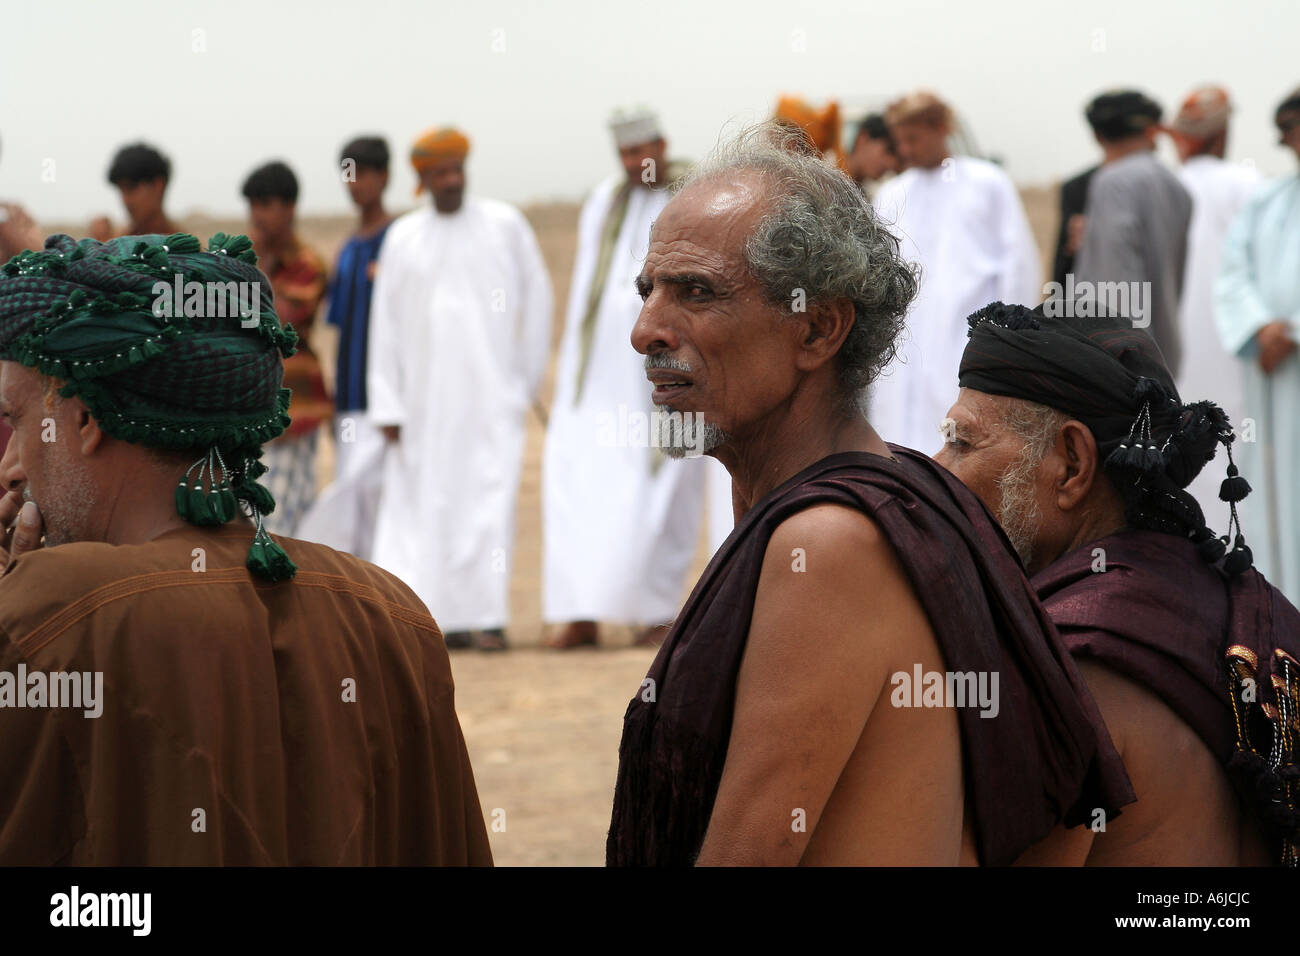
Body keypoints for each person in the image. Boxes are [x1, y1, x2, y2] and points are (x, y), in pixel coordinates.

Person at [606, 124, 1132, 867]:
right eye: (648, 290)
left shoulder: (828, 545)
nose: (646, 331)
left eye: (696, 292)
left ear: (818, 328)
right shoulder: (892, 496)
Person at [0, 232, 492, 864]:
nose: (11, 466)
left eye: (16, 421)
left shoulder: (49, 612)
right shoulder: (393, 614)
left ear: (85, 419)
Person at [936, 301, 1300, 865]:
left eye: (962, 443)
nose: (939, 469)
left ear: (1072, 464)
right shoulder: (1240, 601)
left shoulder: (1060, 662)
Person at [367, 127, 552, 652]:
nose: (450, 181)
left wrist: (523, 381)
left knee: (487, 505)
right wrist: (387, 400)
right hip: (421, 405)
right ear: (421, 181)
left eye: (456, 171)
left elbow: (536, 303)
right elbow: (386, 325)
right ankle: (425, 619)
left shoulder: (505, 225)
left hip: (492, 399)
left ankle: (485, 618)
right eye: (439, 174)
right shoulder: (403, 236)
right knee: (424, 508)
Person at [542, 109, 703, 649]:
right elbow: (590, 284)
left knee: (666, 484)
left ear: (662, 142)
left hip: (663, 370)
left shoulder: (692, 195)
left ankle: (656, 612)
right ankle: (581, 612)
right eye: (625, 155)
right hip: (599, 379)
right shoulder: (604, 203)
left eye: (641, 151)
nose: (635, 163)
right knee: (582, 484)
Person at [870, 90, 1041, 455]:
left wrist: (1009, 345)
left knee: (961, 448)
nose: (906, 150)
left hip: (966, 343)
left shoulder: (987, 183)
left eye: (913, 138)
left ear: (942, 128)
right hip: (903, 353)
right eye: (899, 141)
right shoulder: (891, 193)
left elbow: (1020, 267)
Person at [1216, 86, 1300, 603]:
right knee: (1276, 492)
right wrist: (1259, 328)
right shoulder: (1268, 201)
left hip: (1288, 352)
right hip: (1275, 371)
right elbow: (1233, 276)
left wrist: (1290, 329)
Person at [295, 137, 393, 561]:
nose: (354, 184)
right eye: (347, 174)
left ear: (384, 176)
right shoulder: (349, 250)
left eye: (363, 173)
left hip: (387, 402)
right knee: (353, 508)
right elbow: (338, 329)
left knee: (384, 508)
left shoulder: (398, 241)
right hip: (351, 399)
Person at [1167, 86, 1260, 516]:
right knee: (1239, 455)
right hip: (1237, 345)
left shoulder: (1166, 184)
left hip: (1170, 348)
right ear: (1222, 134)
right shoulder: (1248, 184)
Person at [1071, 90, 1191, 374]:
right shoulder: (1176, 185)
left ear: (1098, 136)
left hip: (1120, 361)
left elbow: (1115, 282)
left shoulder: (1112, 182)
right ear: (1151, 131)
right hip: (1163, 352)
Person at [241, 161, 330, 536]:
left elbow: (279, 319)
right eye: (253, 205)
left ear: (289, 207)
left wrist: (255, 268)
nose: (257, 215)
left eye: (266, 204)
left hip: (295, 415)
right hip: (250, 419)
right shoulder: (245, 262)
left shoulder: (307, 265)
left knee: (280, 526)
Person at [90, 142, 182, 241]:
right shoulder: (116, 245)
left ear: (157, 185)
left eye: (131, 188)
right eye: (121, 190)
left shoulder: (191, 249)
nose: (125, 200)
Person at [846, 113, 899, 195]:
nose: (891, 164)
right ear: (863, 139)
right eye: (888, 150)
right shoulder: (825, 181)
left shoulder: (869, 197)